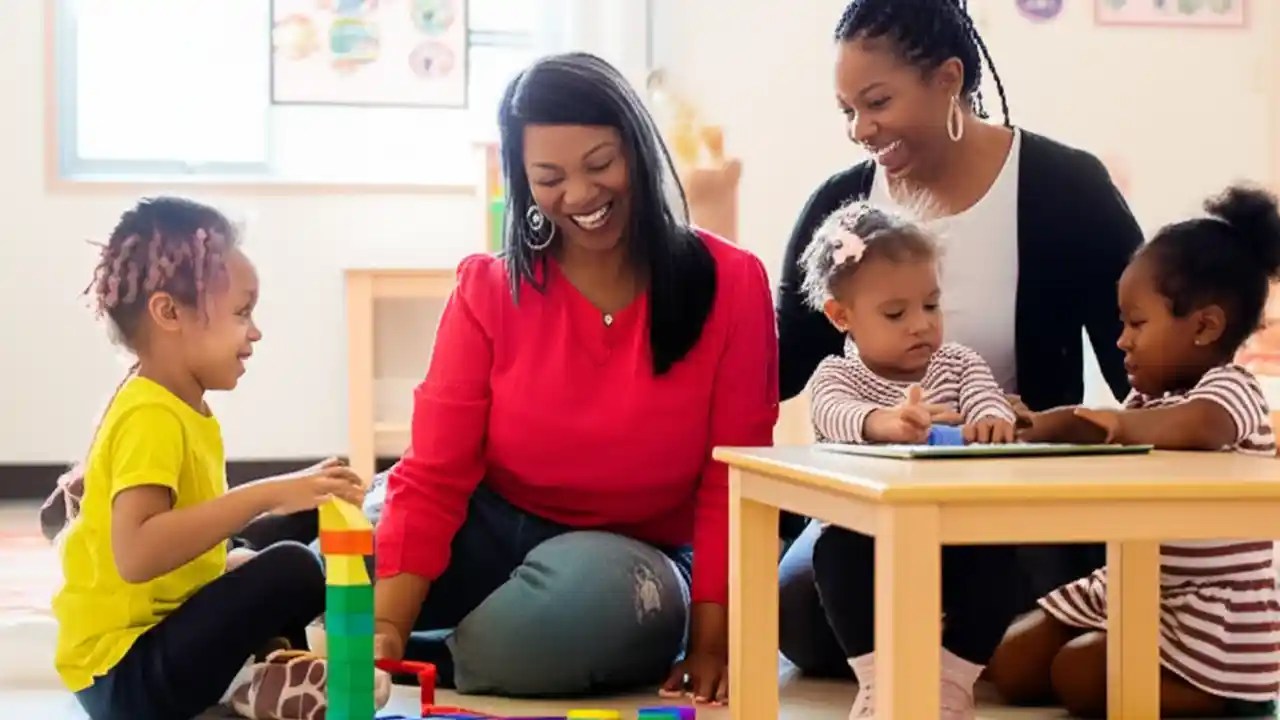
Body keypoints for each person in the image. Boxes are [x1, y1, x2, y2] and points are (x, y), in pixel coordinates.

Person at [369, 52, 779, 705]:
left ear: (639, 152)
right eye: (549, 178)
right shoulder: (487, 286)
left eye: (599, 164)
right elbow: (436, 472)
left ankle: (437, 656)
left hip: (629, 557)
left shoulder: (732, 283)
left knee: (580, 610)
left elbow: (731, 480)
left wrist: (710, 644)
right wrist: (384, 623)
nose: (581, 196)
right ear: (524, 183)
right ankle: (383, 635)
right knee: (354, 557)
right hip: (489, 521)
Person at [776, 0, 1145, 679]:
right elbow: (776, 366)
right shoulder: (844, 209)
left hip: (1017, 489)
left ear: (949, 79)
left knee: (1020, 604)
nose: (862, 129)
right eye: (848, 110)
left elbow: (1143, 364)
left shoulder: (1066, 188)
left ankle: (947, 647)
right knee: (800, 613)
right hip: (877, 499)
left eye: (878, 102)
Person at [54, 197, 366, 720]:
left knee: (291, 527)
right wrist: (266, 493)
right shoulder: (149, 413)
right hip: (125, 676)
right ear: (169, 312)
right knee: (293, 568)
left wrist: (231, 554)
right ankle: (253, 680)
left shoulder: (178, 405)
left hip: (153, 644)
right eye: (242, 312)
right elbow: (137, 553)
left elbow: (180, 542)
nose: (256, 331)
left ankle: (257, 672)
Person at [989, 185, 1280, 719]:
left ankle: (1230, 697)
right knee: (1011, 661)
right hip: (1137, 581)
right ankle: (1133, 674)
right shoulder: (1147, 399)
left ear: (1205, 327)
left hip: (1211, 610)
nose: (1121, 340)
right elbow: (1094, 426)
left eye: (1137, 323)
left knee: (1078, 674)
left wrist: (1121, 425)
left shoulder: (1229, 390)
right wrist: (1034, 424)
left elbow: (1199, 428)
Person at [800, 199, 1021, 718]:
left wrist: (990, 421)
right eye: (896, 314)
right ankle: (879, 682)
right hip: (868, 538)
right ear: (841, 316)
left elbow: (989, 400)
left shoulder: (959, 363)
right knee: (833, 555)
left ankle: (952, 682)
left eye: (931, 305)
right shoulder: (839, 376)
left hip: (956, 529)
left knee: (1003, 560)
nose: (921, 325)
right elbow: (833, 414)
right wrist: (886, 422)